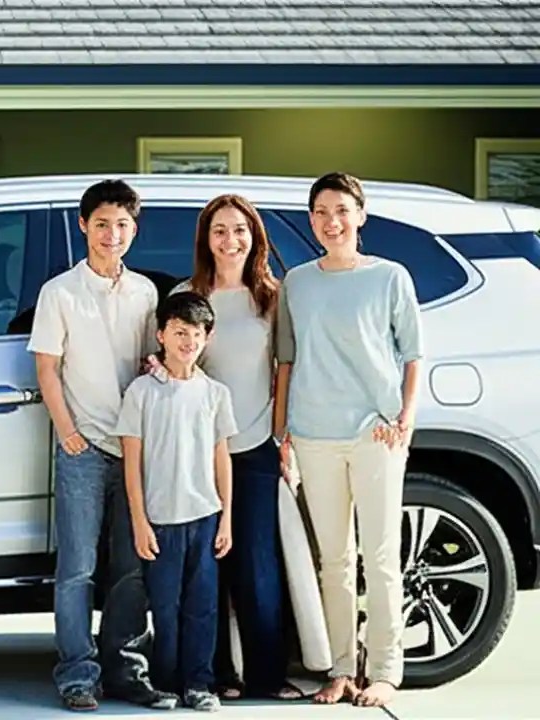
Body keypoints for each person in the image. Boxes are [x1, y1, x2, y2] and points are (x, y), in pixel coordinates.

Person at [274, 172, 422, 708]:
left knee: (380, 557)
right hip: (314, 435)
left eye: (341, 210)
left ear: (360, 215)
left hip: (374, 434)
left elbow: (411, 355)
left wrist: (404, 417)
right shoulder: (298, 282)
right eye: (320, 212)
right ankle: (340, 668)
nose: (330, 221)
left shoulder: (389, 277)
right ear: (311, 220)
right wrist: (282, 430)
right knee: (332, 560)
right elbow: (286, 359)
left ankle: (383, 669)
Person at [28, 179, 177, 712]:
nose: (111, 235)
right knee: (76, 569)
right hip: (83, 447)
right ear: (83, 226)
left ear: (134, 230)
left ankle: (125, 670)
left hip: (135, 448)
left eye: (121, 225)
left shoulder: (144, 293)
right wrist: (68, 433)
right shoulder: (60, 293)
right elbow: (47, 367)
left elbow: (145, 362)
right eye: (101, 224)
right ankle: (76, 674)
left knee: (132, 567)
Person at [170, 195, 303, 701]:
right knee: (208, 566)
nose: (231, 241)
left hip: (253, 445)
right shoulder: (187, 294)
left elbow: (284, 367)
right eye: (220, 230)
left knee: (257, 563)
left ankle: (268, 675)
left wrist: (280, 433)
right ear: (206, 238)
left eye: (240, 230)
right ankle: (217, 673)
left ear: (255, 237)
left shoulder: (272, 296)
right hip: (196, 449)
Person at [116, 291, 236, 713]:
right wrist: (140, 520)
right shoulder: (141, 392)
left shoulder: (215, 393)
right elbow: (132, 463)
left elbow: (222, 458)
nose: (188, 341)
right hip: (161, 520)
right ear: (161, 334)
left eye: (197, 333)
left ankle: (199, 683)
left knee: (203, 606)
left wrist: (226, 520)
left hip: (204, 517)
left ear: (208, 337)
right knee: (165, 608)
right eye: (179, 332)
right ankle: (165, 682)